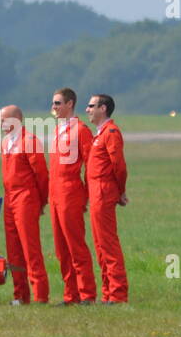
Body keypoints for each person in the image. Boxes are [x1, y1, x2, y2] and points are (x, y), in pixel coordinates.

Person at [49, 88, 96, 304]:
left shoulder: (81, 130)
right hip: (55, 195)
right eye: (53, 103)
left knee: (75, 246)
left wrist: (88, 195)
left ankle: (87, 294)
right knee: (61, 248)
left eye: (58, 103)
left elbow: (92, 166)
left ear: (70, 104)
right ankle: (71, 295)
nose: (54, 107)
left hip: (71, 193)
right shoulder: (59, 130)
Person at [0, 104, 49, 305]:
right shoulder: (5, 143)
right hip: (9, 198)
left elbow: (42, 175)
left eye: (4, 119)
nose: (1, 123)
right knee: (13, 250)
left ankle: (40, 295)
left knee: (30, 247)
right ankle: (20, 294)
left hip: (26, 197)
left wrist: (41, 201)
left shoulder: (30, 140)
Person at [85, 93, 128, 303]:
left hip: (103, 191)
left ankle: (118, 293)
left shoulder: (111, 132)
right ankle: (108, 292)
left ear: (103, 109)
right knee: (100, 245)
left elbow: (118, 166)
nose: (88, 110)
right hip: (95, 192)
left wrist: (120, 191)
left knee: (108, 245)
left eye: (91, 106)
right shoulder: (100, 133)